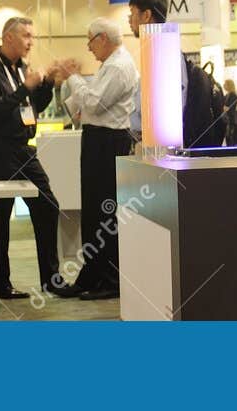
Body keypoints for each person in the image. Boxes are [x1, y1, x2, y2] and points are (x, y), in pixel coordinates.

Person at [0, 17, 68, 299]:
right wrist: (26, 87)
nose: (31, 42)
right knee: (0, 217)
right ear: (8, 38)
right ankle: (0, 285)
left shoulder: (23, 69)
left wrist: (47, 83)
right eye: (26, 36)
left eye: (32, 36)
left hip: (24, 150)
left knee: (48, 206)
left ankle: (51, 280)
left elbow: (34, 107)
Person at [56, 18, 138, 299]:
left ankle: (108, 280)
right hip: (99, 139)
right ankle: (91, 276)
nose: (88, 48)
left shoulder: (118, 66)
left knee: (103, 211)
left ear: (102, 38)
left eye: (90, 40)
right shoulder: (111, 65)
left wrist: (73, 76)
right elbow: (92, 104)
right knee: (92, 212)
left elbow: (93, 102)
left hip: (107, 142)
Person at [126, 0, 226, 147]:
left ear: (146, 15)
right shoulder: (157, 51)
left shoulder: (163, 52)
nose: (129, 20)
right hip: (160, 143)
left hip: (165, 146)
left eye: (132, 13)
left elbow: (169, 105)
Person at [221, 79, 237, 144]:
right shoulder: (226, 95)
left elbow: (229, 108)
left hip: (231, 120)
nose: (224, 85)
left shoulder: (233, 95)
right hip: (227, 120)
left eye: (225, 84)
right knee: (227, 137)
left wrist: (223, 107)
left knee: (230, 137)